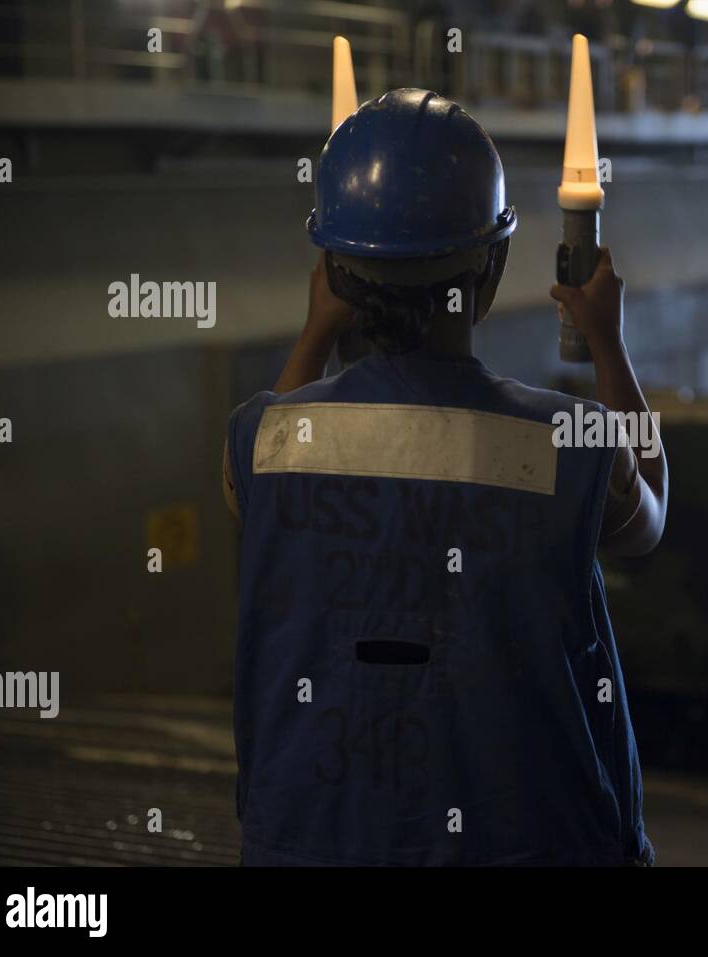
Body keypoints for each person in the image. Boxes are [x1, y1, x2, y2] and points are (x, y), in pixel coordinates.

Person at [221, 89, 666, 866]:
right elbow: (650, 517)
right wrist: (607, 343)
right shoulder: (571, 442)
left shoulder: (264, 440)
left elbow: (270, 462)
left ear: (334, 270)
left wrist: (316, 328)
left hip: (311, 844)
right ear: (489, 268)